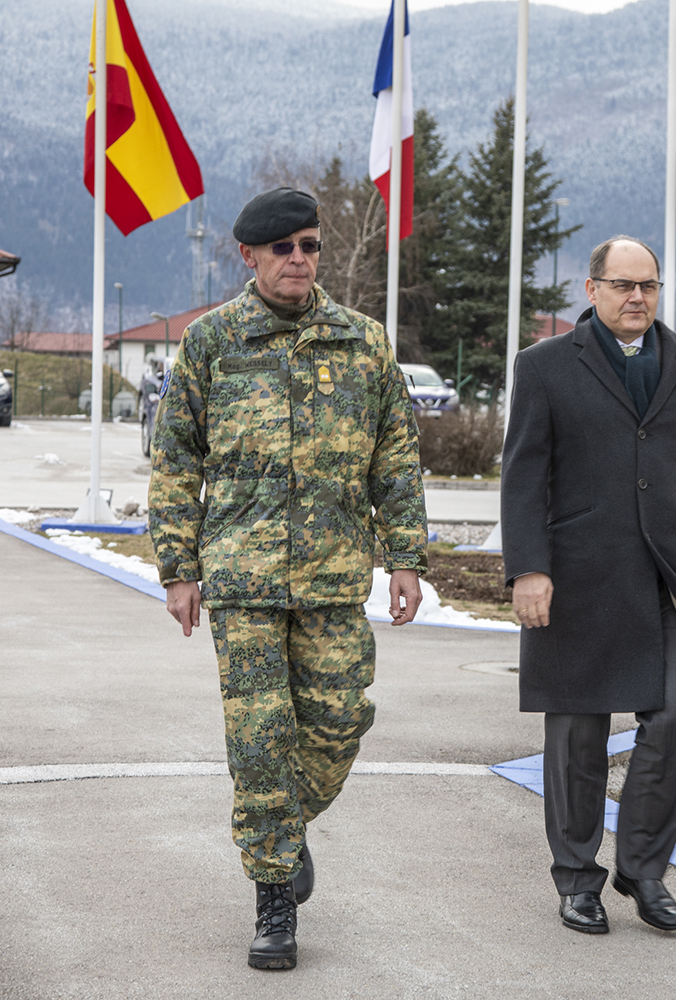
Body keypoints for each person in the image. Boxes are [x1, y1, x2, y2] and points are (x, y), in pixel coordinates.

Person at [148, 187, 428, 970]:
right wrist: (179, 567)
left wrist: (405, 556)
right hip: (241, 578)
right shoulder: (212, 343)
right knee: (261, 741)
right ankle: (274, 895)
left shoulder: (362, 342)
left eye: (309, 245)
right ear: (250, 257)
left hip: (335, 576)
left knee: (341, 723)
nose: (299, 259)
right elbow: (176, 461)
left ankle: (284, 829)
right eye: (284, 249)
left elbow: (396, 457)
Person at [500, 235, 676, 935]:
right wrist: (529, 567)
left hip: (671, 576)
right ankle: (578, 879)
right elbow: (523, 475)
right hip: (577, 576)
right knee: (578, 732)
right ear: (592, 289)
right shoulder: (545, 367)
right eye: (622, 285)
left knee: (674, 717)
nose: (636, 297)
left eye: (648, 285)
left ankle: (643, 869)